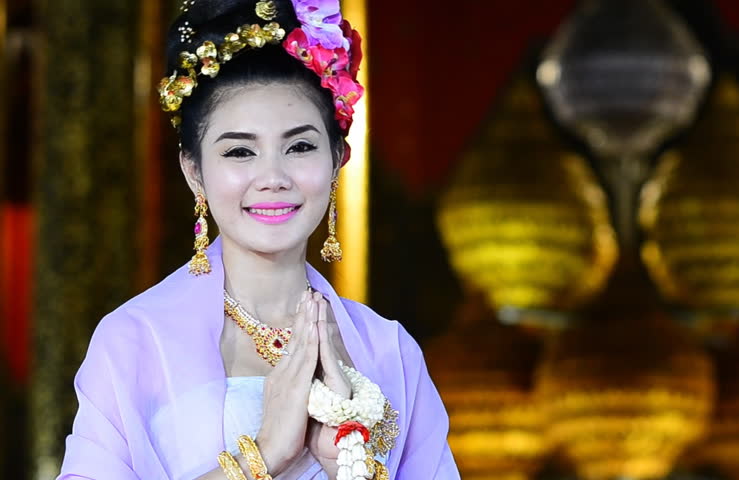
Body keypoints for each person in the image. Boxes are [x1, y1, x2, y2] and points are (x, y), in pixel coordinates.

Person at [58, 1, 460, 479]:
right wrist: (266, 454)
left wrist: (347, 465)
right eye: (240, 151)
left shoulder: (390, 351)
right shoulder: (134, 342)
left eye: (300, 147)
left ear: (337, 159)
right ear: (194, 172)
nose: (272, 177)